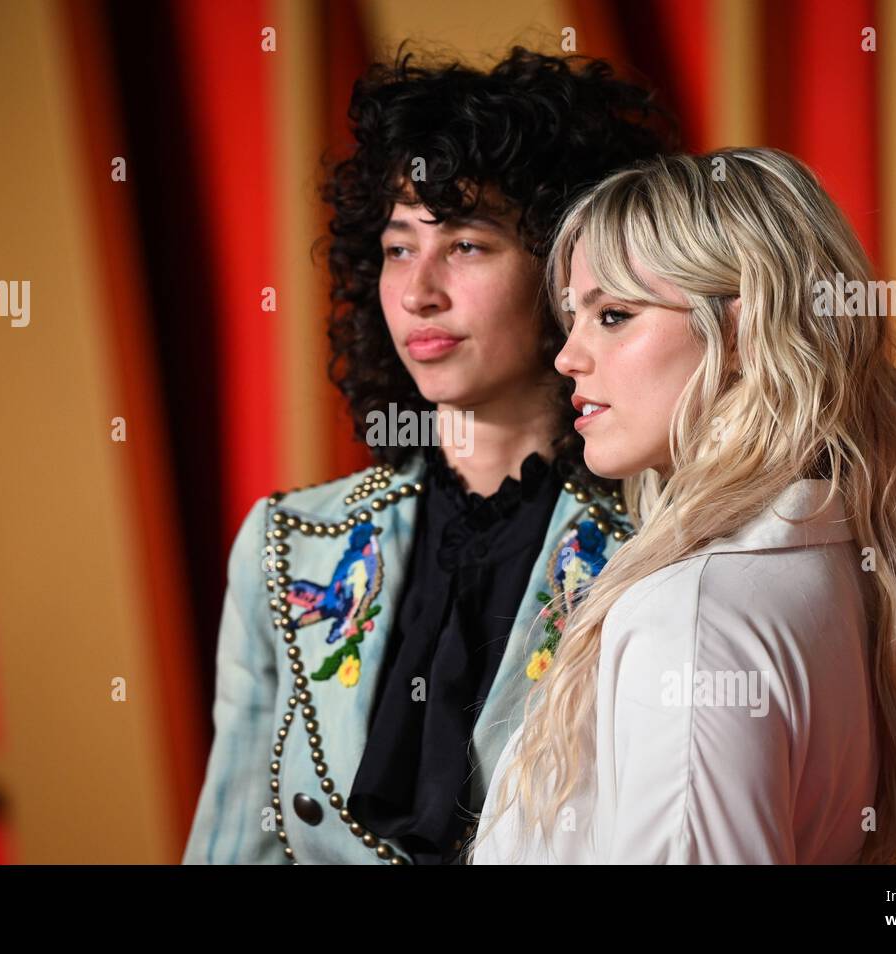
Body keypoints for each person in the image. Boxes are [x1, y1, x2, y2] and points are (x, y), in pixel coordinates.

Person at [182, 46, 675, 864]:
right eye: (399, 247)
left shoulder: (660, 547)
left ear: (568, 268)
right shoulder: (289, 546)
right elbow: (232, 845)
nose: (419, 292)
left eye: (467, 246)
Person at [472, 148, 896, 864]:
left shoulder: (693, 616)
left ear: (741, 329)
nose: (567, 357)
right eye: (572, 318)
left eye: (613, 315)